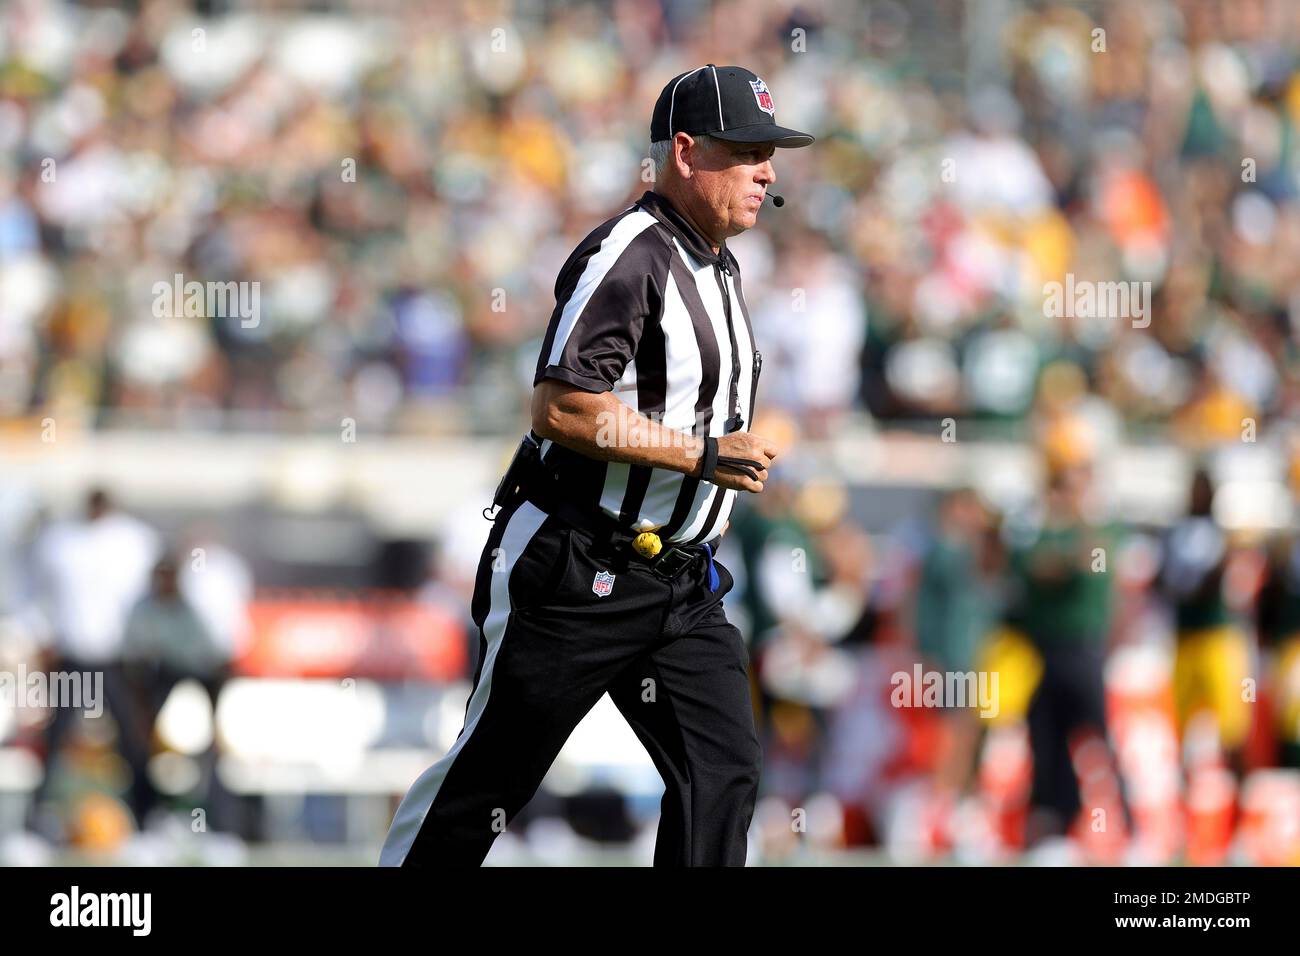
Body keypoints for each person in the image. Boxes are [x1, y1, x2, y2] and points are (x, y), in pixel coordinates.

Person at [380, 65, 814, 867]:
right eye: (748, 151)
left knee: (723, 773)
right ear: (686, 152)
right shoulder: (631, 251)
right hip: (581, 566)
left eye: (770, 153)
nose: (768, 172)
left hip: (680, 580)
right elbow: (561, 406)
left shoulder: (718, 262)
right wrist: (703, 454)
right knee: (492, 781)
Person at [27, 488, 162, 832]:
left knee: (133, 739)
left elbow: (153, 598)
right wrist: (44, 638)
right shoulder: (61, 543)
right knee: (58, 739)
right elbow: (40, 595)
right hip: (75, 658)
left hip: (118, 660)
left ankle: (147, 817)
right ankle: (37, 819)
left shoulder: (135, 541)